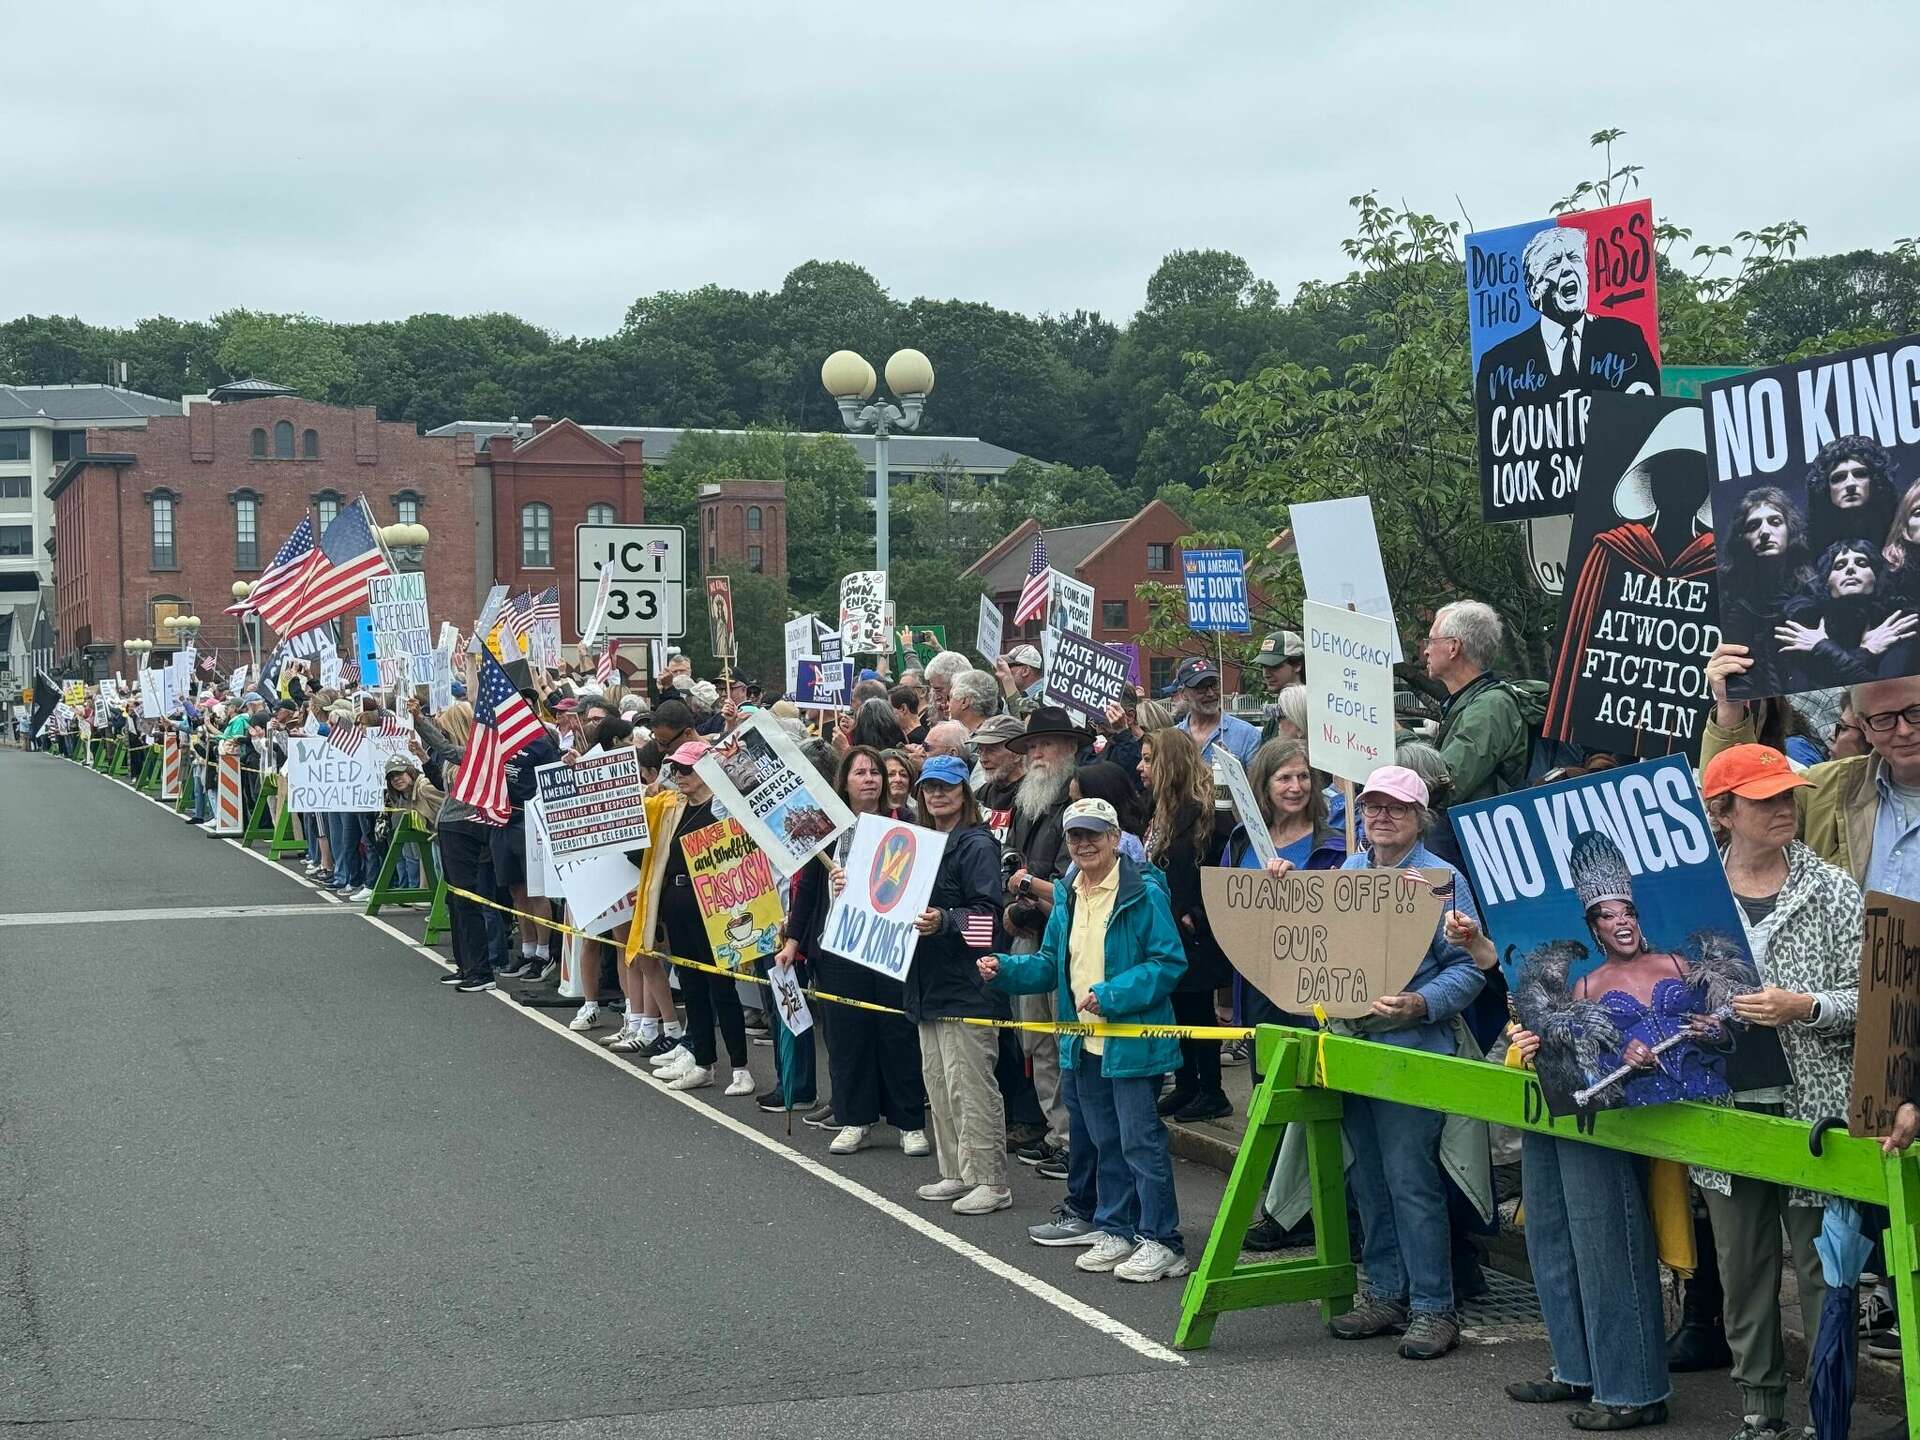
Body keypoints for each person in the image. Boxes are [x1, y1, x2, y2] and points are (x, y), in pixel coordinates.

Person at [1696, 742, 1862, 1440]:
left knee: (1825, 1269)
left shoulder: (1833, 889)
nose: (1783, 809)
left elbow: (1870, 999)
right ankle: (1760, 1410)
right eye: (1764, 799)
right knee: (1742, 1269)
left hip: (1815, 1111)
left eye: (1788, 795)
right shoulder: (1692, 891)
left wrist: (1807, 1007)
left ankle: (1830, 1415)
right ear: (1723, 812)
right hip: (1724, 1103)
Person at [980, 797, 1190, 1282]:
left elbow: (1169, 963)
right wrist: (1004, 969)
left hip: (1131, 1043)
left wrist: (1112, 994)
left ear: (1115, 839)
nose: (1083, 843)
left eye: (1094, 834)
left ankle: (1164, 1241)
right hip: (1082, 1044)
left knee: (1141, 1144)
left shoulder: (1143, 893)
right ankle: (1116, 1229)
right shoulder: (1069, 894)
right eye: (1075, 835)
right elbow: (1050, 964)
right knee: (1104, 1141)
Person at [1326, 765, 1484, 1361]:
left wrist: (1421, 1003)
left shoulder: (1443, 881)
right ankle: (1386, 1294)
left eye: (1395, 807)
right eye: (1372, 806)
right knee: (1367, 1176)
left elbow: (1469, 969)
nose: (1381, 816)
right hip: (1355, 1049)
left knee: (1410, 1180)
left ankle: (1434, 1308)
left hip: (1414, 1051)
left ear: (1420, 817)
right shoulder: (1347, 873)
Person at [1704, 645, 1920, 893]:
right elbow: (1733, 808)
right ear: (1864, 728)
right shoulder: (1821, 789)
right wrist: (1729, 707)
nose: (1904, 730)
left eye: (1916, 712)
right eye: (1884, 720)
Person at [905, 755, 1012, 1216]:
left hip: (967, 985)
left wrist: (946, 920)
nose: (937, 794)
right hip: (926, 985)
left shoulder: (977, 844)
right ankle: (955, 1171)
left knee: (971, 1086)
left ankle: (991, 1180)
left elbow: (991, 923)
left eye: (946, 786)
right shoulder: (920, 842)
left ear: (964, 792)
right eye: (929, 787)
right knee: (939, 1084)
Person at [810, 747, 929, 1155]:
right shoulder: (829, 831)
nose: (870, 779)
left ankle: (909, 1123)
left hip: (891, 944)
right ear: (844, 781)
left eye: (875, 772)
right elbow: (809, 892)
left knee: (897, 1033)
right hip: (842, 945)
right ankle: (855, 1119)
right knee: (848, 1034)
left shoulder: (908, 825)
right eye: (860, 772)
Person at [1004, 707, 1090, 1186]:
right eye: (1032, 746)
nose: (1037, 754)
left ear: (1070, 748)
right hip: (1029, 938)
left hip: (1065, 942)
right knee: (1035, 1039)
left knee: (1063, 1040)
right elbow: (1011, 866)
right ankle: (1057, 1132)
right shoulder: (1026, 800)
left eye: (1047, 744)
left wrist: (1024, 892)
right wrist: (1013, 904)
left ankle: (1075, 1141)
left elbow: (1069, 884)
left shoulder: (1076, 803)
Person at [646, 740, 756, 1096]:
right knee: (691, 986)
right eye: (675, 769)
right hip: (677, 905)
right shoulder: (675, 809)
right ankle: (703, 1061)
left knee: (722, 988)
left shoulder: (723, 810)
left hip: (713, 908)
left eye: (686, 769)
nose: (679, 775)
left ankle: (740, 1067)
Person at [1138, 728, 1233, 1122]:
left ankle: (1212, 1091)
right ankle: (1187, 1083)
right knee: (1178, 1008)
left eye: (1149, 759)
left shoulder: (1206, 814)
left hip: (1195, 934)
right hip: (1166, 929)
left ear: (1170, 764)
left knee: (1198, 1011)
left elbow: (1222, 872)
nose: (1141, 767)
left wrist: (1197, 916)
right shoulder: (1160, 809)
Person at [1471, 224, 1657, 411]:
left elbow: (1653, 413)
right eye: (1553, 263)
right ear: (1534, 290)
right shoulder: (1498, 363)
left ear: (1586, 274)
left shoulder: (1626, 338)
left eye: (1574, 257)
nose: (1567, 268)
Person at [1425, 600, 1529, 807]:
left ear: (1453, 647)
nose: (1426, 651)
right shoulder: (1474, 703)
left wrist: (1397, 735)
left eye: (1431, 641)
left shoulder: (1490, 707)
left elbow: (1444, 786)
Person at [1806, 433, 1900, 558]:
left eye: (1860, 474)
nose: (1850, 484)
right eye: (1838, 478)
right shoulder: (1811, 545)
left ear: (1874, 481)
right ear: (1826, 489)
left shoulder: (1900, 529)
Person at [1169, 658, 1259, 769]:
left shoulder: (1248, 735)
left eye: (1214, 685)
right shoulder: (1171, 739)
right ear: (1183, 694)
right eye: (1201, 688)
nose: (1211, 693)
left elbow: (1256, 779)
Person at [996, 644, 1045, 717]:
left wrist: (1008, 681)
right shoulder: (1020, 694)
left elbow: (1020, 720)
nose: (1005, 669)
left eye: (1009, 666)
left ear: (1025, 671)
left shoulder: (1044, 698)